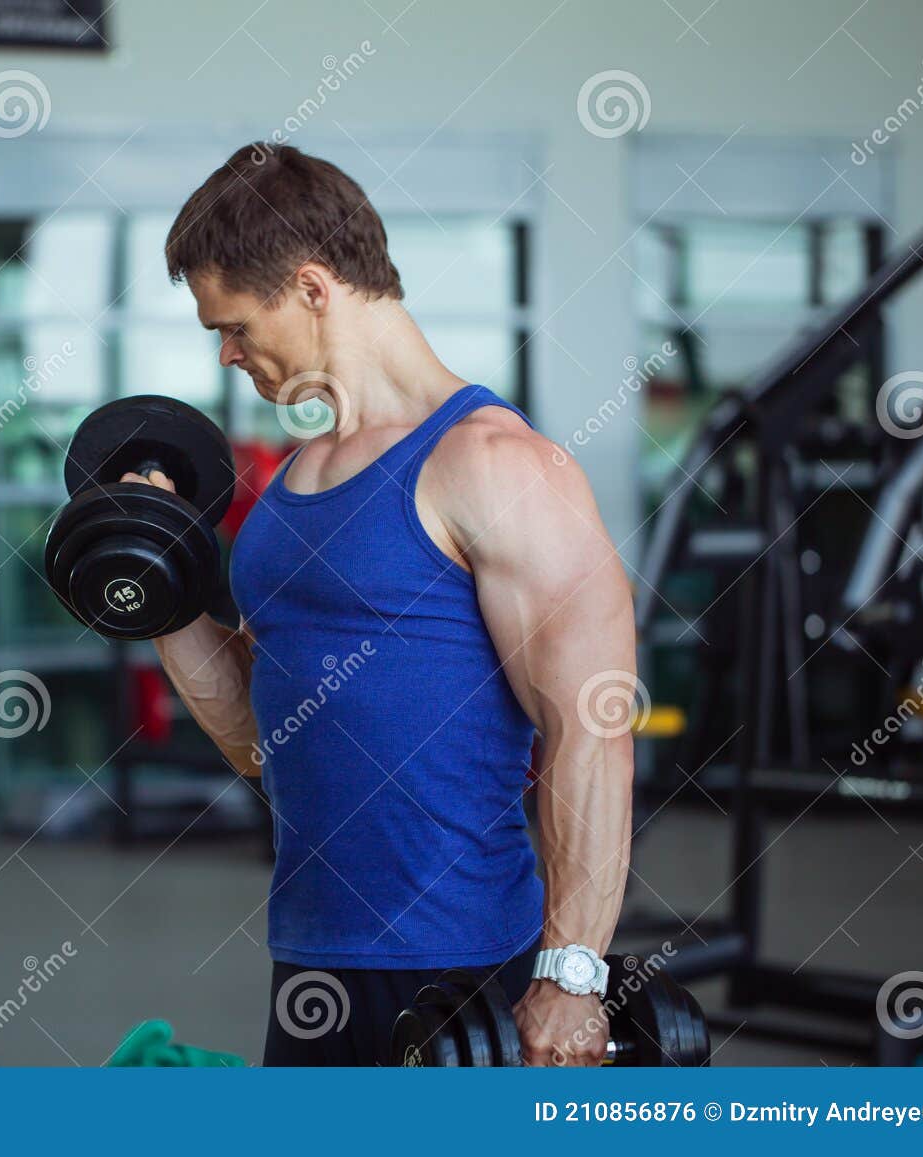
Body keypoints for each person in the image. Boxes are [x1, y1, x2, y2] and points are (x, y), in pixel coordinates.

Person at [130, 143, 636, 1066]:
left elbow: (592, 729)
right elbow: (259, 741)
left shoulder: (497, 466)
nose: (227, 352)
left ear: (314, 287)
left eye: (234, 324)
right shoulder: (294, 485)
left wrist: (570, 975)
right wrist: (154, 591)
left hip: (469, 970)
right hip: (313, 966)